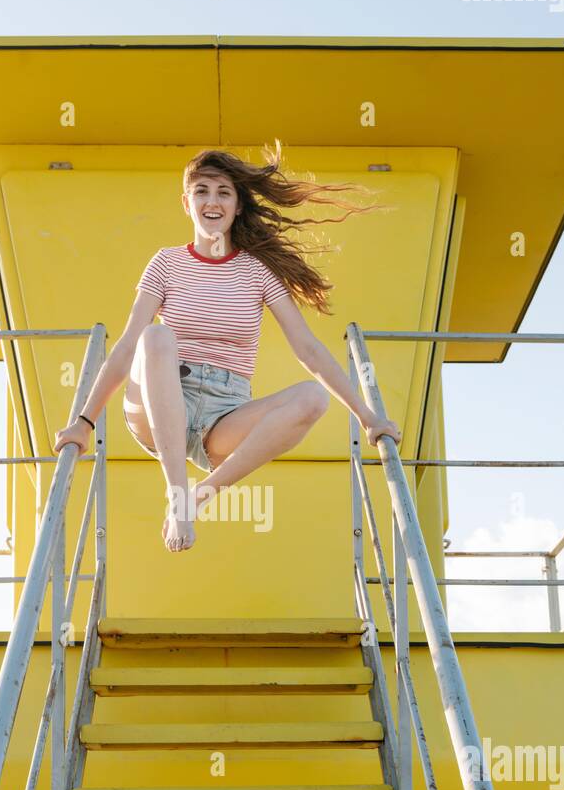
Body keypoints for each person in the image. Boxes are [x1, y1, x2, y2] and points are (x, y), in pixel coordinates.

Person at [53, 141, 402, 552]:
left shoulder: (258, 272)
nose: (212, 201)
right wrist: (84, 422)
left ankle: (200, 496)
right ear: (186, 203)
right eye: (201, 191)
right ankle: (177, 494)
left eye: (223, 192)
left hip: (223, 417)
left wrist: (367, 416)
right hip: (161, 402)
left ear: (238, 206)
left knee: (312, 398)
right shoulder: (165, 263)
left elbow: (307, 349)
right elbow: (129, 344)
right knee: (156, 335)